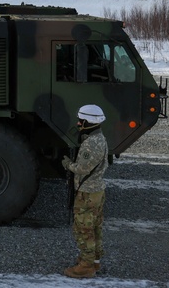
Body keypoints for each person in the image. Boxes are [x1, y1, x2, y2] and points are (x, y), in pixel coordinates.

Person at [61, 103, 109, 279]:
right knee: (94, 227)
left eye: (81, 120)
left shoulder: (90, 144)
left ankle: (86, 266)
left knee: (83, 229)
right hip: (96, 191)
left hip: (87, 193)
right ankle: (94, 260)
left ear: (88, 122)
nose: (78, 123)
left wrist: (68, 164)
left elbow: (82, 169)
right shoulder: (99, 138)